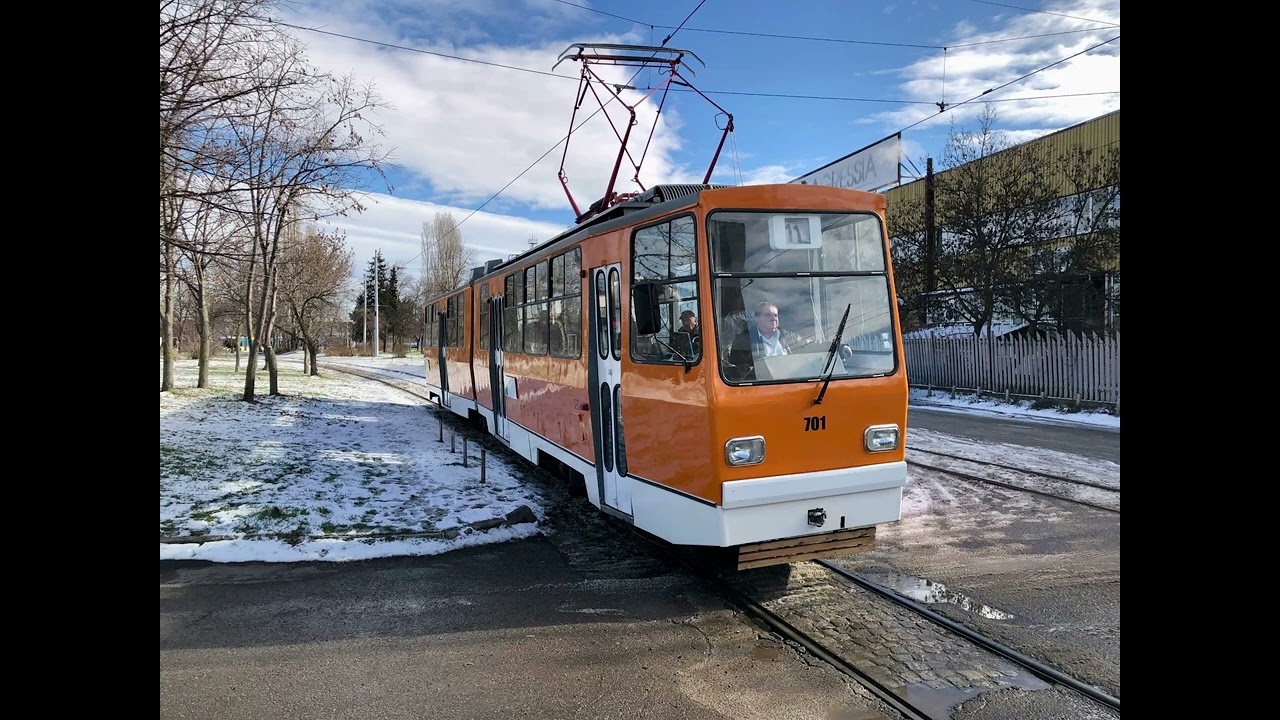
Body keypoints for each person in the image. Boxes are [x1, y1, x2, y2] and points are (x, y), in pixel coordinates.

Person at [726, 301, 852, 380]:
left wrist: (839, 347)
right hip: (763, 388)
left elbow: (809, 346)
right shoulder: (743, 340)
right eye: (768, 315)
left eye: (775, 315)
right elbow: (738, 372)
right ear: (757, 319)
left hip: (789, 384)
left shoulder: (787, 336)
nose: (773, 319)